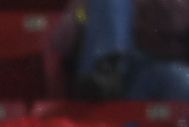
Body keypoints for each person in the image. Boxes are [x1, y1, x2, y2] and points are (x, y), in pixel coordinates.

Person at [57, 0, 189, 101]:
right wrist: (78, 16)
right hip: (95, 75)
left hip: (152, 66)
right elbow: (74, 25)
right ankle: (106, 71)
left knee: (183, 81)